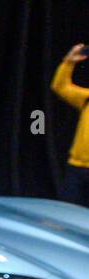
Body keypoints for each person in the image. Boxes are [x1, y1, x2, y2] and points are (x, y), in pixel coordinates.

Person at [51, 43, 88, 205]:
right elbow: (60, 87)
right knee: (67, 212)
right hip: (77, 168)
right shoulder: (87, 97)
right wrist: (69, 62)